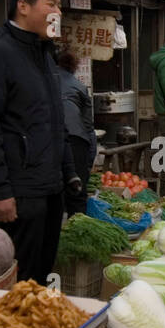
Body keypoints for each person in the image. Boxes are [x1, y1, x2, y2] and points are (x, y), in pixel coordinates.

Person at [0, 0, 81, 283]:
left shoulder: (43, 53)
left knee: (40, 275)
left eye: (60, 6)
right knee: (19, 277)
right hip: (19, 193)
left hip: (49, 188)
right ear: (23, 6)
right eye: (51, 4)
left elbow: (54, 121)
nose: (59, 13)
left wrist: (69, 172)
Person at [55, 50, 97, 215]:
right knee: (77, 191)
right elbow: (88, 126)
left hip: (51, 138)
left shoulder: (43, 81)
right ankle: (77, 228)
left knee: (53, 192)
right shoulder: (79, 86)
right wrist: (88, 160)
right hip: (76, 139)